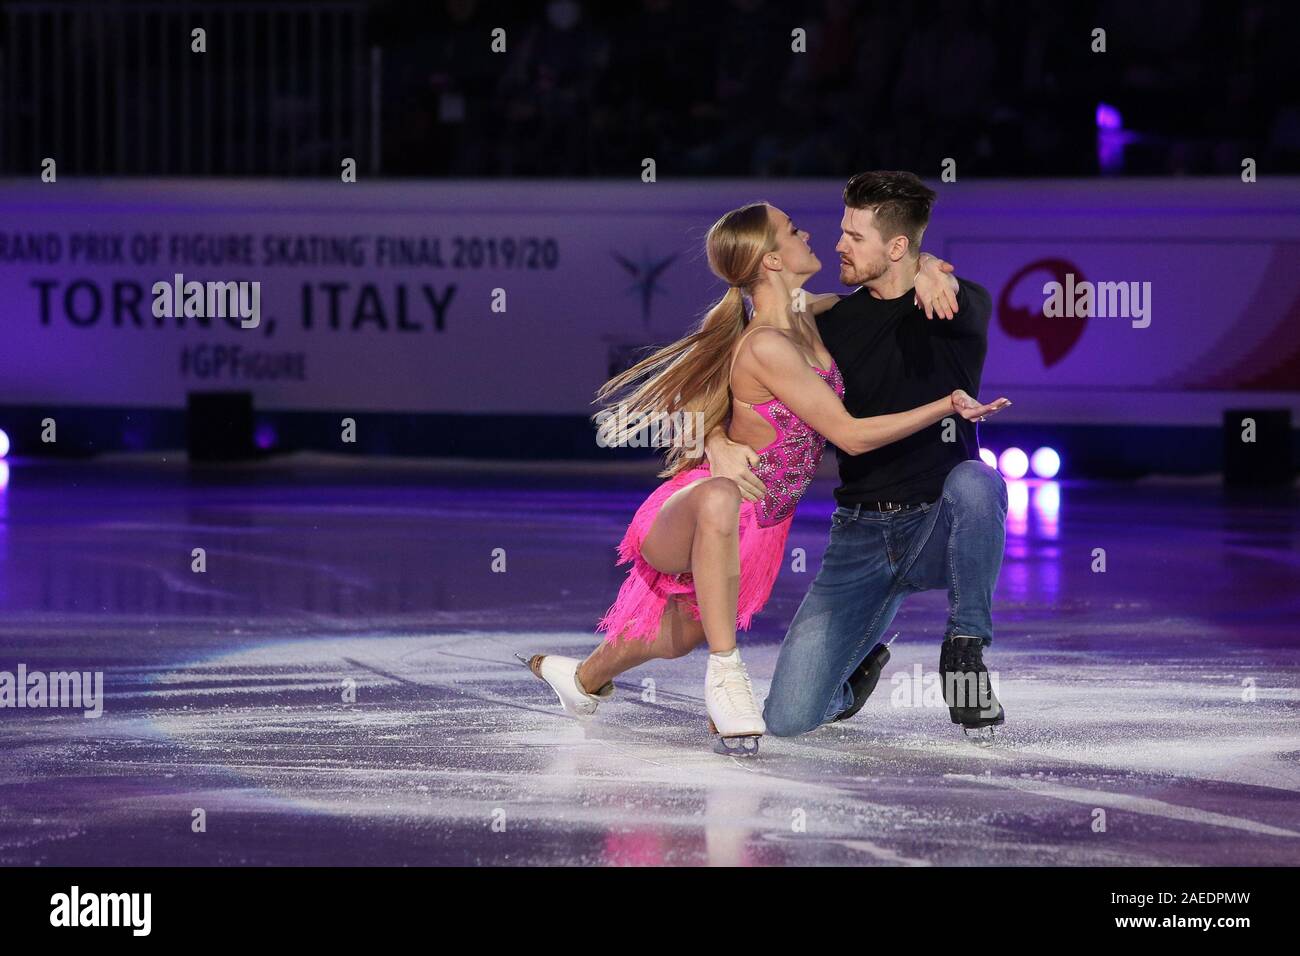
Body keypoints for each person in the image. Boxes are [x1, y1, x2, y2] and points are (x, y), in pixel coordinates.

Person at [521, 199, 1010, 755]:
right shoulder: (766, 342)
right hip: (710, 505)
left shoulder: (811, 313)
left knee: (676, 636)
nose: (815, 238)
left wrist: (926, 265)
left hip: (762, 527)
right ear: (773, 260)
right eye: (794, 231)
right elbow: (847, 435)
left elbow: (888, 285)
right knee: (717, 503)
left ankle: (579, 678)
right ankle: (726, 680)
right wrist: (714, 442)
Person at [706, 170, 1010, 739]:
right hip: (859, 539)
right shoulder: (829, 325)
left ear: (896, 247)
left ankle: (964, 649)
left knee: (978, 481)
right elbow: (731, 377)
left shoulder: (959, 307)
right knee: (787, 720)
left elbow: (939, 285)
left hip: (936, 526)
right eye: (842, 230)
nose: (838, 244)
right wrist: (715, 438)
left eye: (855, 236)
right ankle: (852, 680)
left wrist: (928, 267)